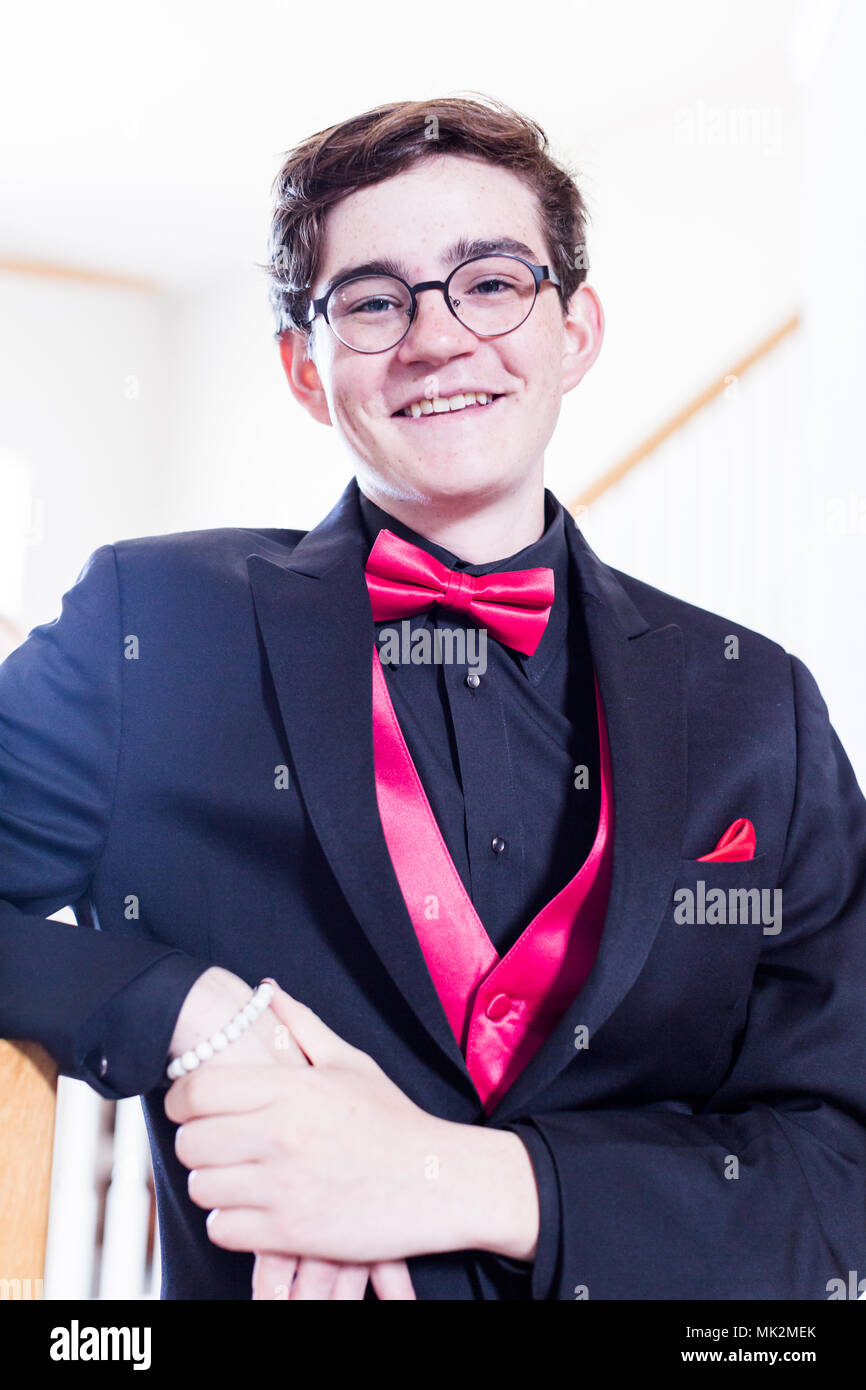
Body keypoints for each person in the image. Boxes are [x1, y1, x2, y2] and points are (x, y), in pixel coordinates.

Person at [2, 95, 865, 1302]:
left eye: (492, 282)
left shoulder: (756, 705)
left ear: (575, 330)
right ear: (307, 370)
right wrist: (182, 1005)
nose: (437, 337)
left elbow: (840, 1174)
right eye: (370, 300)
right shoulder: (153, 624)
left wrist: (457, 1176)